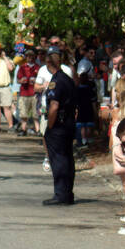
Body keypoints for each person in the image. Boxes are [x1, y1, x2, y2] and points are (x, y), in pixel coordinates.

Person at [42, 48, 77, 205]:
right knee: (67, 158)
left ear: (49, 62)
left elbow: (54, 106)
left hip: (59, 125)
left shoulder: (57, 81)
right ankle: (67, 192)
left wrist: (50, 127)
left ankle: (61, 194)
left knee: (59, 160)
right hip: (69, 123)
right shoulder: (68, 79)